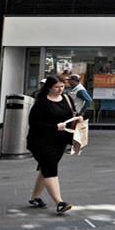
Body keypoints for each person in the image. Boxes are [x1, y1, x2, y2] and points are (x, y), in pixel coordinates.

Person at [26, 76, 83, 215]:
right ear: (49, 87)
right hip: (40, 141)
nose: (60, 90)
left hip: (60, 141)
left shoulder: (67, 99)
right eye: (57, 87)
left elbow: (72, 113)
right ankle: (59, 203)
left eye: (62, 87)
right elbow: (33, 123)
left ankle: (35, 198)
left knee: (47, 168)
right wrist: (54, 126)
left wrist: (78, 118)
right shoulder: (41, 102)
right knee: (50, 167)